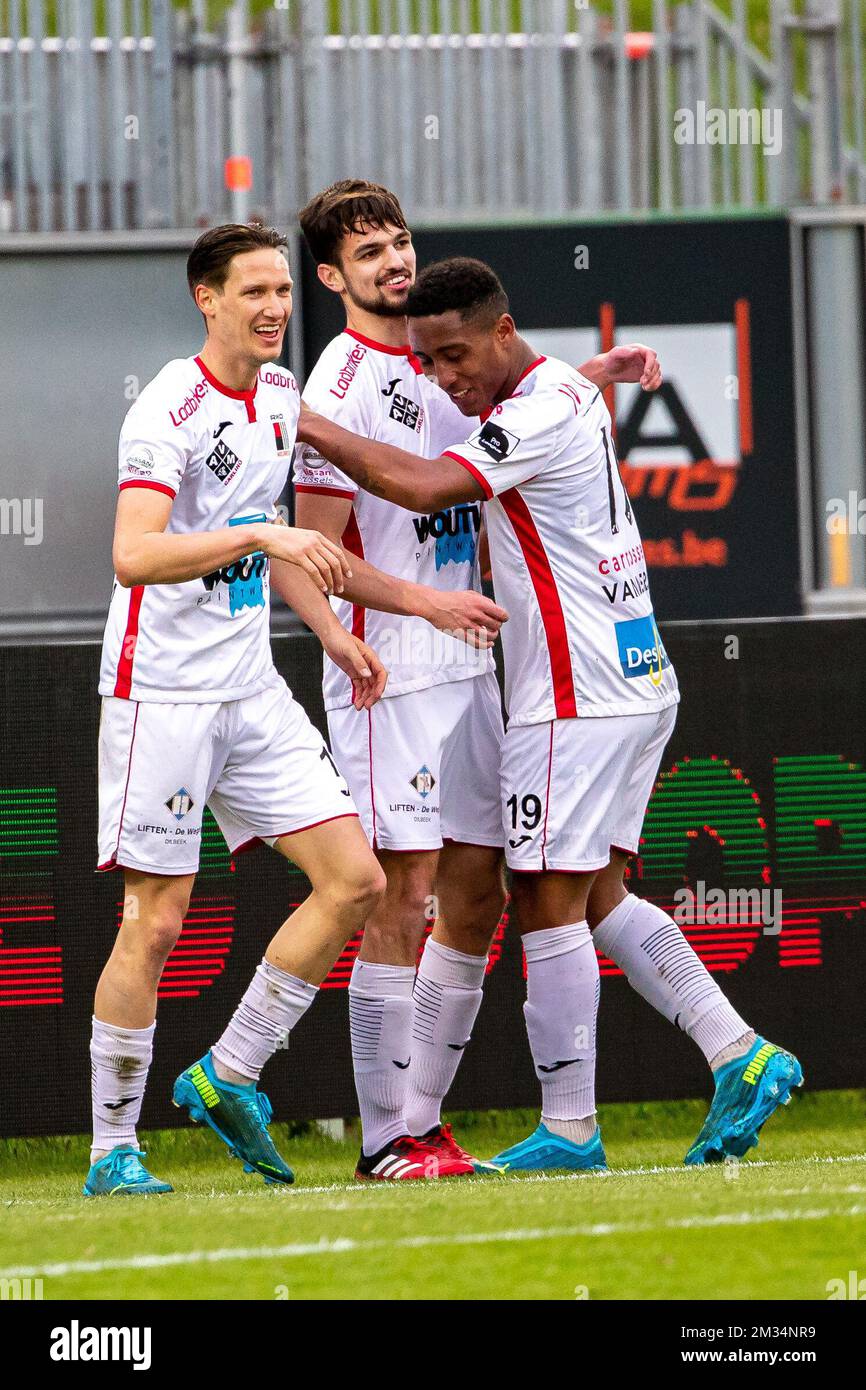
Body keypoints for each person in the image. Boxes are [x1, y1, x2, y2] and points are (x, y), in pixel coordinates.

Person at [295, 256, 803, 1172]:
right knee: (601, 893)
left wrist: (300, 418)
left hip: (572, 696)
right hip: (634, 677)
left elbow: (419, 485)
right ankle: (741, 1052)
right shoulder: (556, 387)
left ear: (501, 331)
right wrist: (599, 368)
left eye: (455, 356)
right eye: (428, 362)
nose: (445, 377)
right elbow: (538, 386)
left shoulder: (529, 411)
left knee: (546, 899)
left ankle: (571, 1127)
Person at [87, 223, 498, 1197]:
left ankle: (228, 1069)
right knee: (153, 918)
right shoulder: (165, 410)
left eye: (280, 291)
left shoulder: (282, 397)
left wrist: (400, 603)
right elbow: (133, 556)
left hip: (249, 691)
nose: (274, 308)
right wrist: (260, 536)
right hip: (164, 690)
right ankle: (113, 1148)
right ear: (208, 299)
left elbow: (315, 548)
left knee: (356, 880)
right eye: (253, 292)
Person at [295, 181, 661, 1179]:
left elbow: (484, 440)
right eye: (367, 253)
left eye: (399, 241)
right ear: (329, 277)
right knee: (396, 889)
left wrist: (582, 374)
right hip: (396, 670)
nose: (392, 261)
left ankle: (420, 1119)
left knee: (473, 893)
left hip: (471, 667)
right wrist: (346, 634)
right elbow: (309, 547)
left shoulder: (427, 359)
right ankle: (377, 1133)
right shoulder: (333, 382)